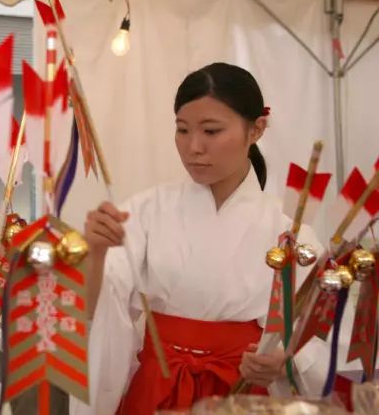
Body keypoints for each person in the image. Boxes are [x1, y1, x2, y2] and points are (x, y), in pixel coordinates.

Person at [70, 63, 328, 414]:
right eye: (182, 130)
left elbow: (315, 331)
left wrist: (284, 358)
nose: (193, 147)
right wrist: (96, 253)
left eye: (211, 130)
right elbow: (96, 311)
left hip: (244, 394)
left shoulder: (291, 231)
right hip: (157, 387)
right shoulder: (146, 211)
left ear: (256, 129)